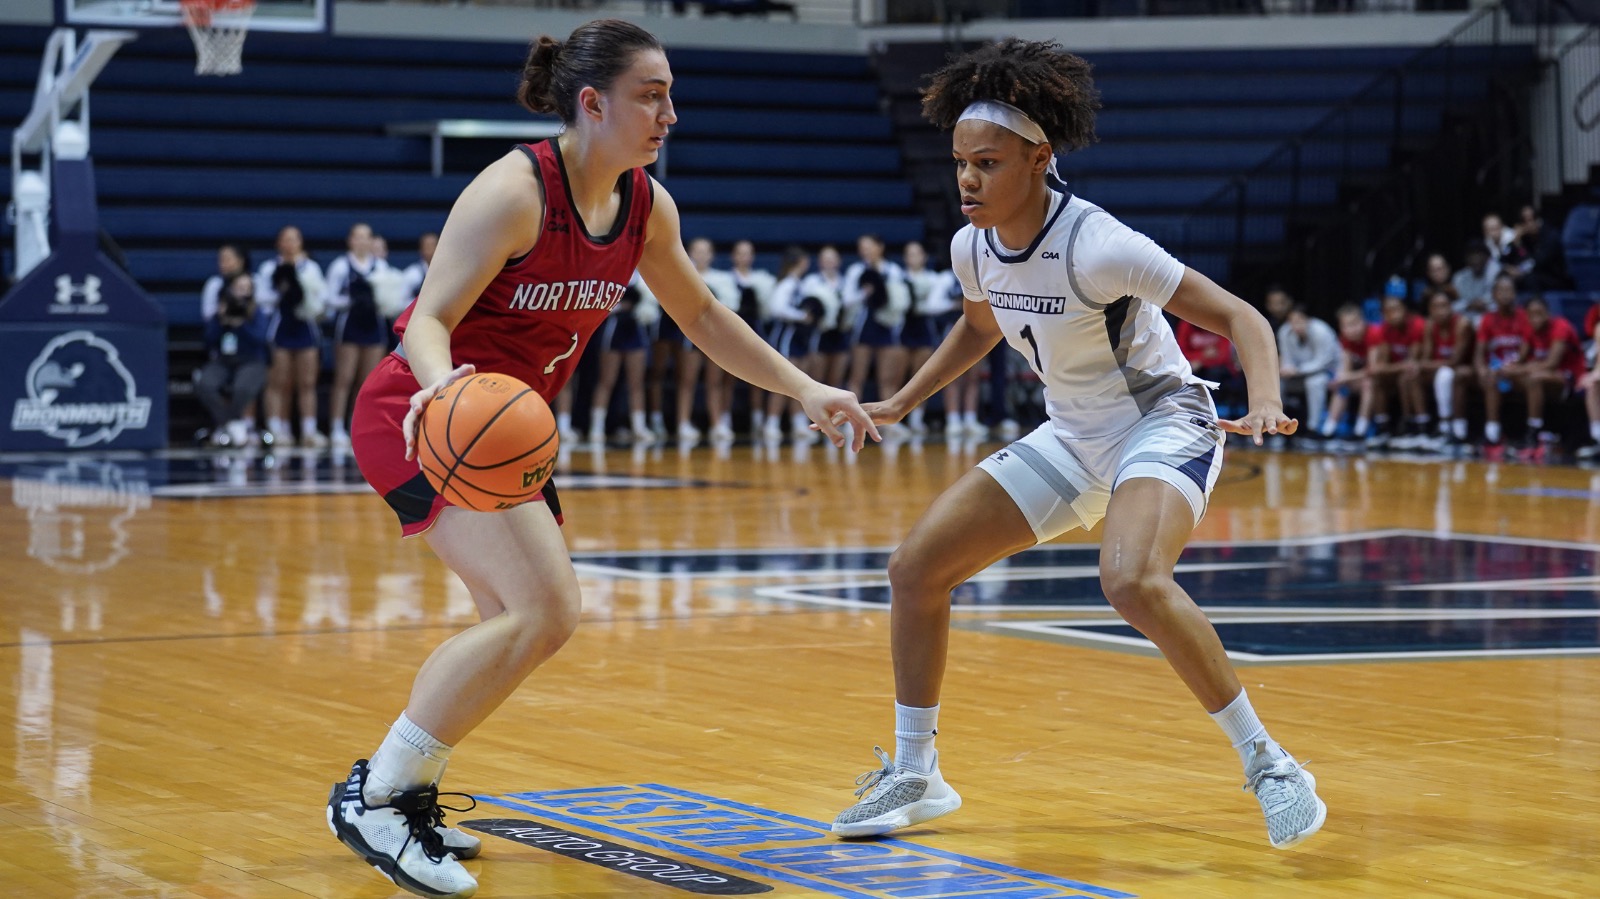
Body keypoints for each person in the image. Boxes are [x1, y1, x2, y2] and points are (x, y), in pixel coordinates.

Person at [329, 21, 878, 899]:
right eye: (650, 94)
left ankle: (402, 787)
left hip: (506, 435)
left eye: (669, 94)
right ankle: (381, 796)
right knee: (545, 611)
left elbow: (701, 318)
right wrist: (443, 392)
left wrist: (804, 388)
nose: (669, 112)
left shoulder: (647, 206)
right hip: (419, 411)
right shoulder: (513, 191)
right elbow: (429, 319)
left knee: (511, 624)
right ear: (593, 102)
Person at [829, 38, 1324, 852]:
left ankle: (1271, 764)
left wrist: (1264, 400)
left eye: (986, 163)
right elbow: (980, 324)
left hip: (1164, 422)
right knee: (916, 569)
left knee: (1129, 577)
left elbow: (1243, 317)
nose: (967, 180)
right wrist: (906, 399)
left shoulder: (1099, 243)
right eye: (959, 163)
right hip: (1073, 435)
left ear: (1038, 158)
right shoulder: (972, 245)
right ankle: (917, 772)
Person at [325, 222, 402, 447]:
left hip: (373, 326)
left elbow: (390, 302)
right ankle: (336, 427)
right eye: (357, 236)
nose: (361, 241)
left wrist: (377, 301)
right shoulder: (340, 266)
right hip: (349, 325)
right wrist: (351, 301)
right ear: (350, 240)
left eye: (366, 237)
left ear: (371, 241)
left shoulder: (380, 266)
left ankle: (357, 424)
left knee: (367, 381)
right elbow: (329, 298)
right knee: (344, 378)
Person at [257, 225, 327, 448]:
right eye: (285, 239)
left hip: (305, 328)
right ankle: (278, 429)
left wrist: (303, 296)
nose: (289, 243)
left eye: (294, 239)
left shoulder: (311, 268)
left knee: (307, 382)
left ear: (301, 243)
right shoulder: (270, 268)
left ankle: (308, 430)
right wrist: (283, 292)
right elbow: (262, 298)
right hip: (281, 328)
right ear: (279, 243)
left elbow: (320, 299)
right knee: (279, 382)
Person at [195, 272, 272, 447]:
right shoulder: (221, 310)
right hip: (224, 361)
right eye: (239, 288)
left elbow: (260, 339)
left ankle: (227, 426)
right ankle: (232, 424)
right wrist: (222, 320)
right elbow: (208, 340)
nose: (242, 293)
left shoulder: (256, 311)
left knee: (242, 387)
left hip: (250, 360)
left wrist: (242, 324)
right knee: (204, 383)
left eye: (246, 288)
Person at [1516, 295, 1585, 459]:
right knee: (1513, 378)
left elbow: (1552, 363)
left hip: (1570, 378)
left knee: (1533, 377)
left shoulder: (1561, 326)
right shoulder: (1529, 330)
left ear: (1548, 313)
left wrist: (1524, 368)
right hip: (1543, 377)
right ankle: (1497, 435)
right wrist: (1506, 369)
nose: (1535, 318)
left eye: (1539, 313)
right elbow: (1520, 360)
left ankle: (1533, 433)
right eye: (1531, 315)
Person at [1474, 274, 1534, 455]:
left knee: (1531, 380)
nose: (1505, 294)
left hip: (1519, 371)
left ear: (1515, 294)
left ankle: (1531, 435)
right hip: (1497, 371)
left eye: (1509, 290)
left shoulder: (1524, 316)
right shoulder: (1487, 319)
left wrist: (1512, 367)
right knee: (1490, 377)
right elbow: (1479, 352)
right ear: (1493, 295)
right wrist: (1482, 370)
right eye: (1501, 290)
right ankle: (1493, 435)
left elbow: (1525, 349)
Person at [1366, 294, 1427, 449]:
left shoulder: (1417, 325)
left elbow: (1413, 362)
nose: (1393, 314)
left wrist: (1391, 368)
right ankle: (1383, 429)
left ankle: (1416, 428)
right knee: (1377, 379)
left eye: (1396, 309)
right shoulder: (1385, 329)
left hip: (1423, 371)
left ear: (1405, 310)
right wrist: (1391, 368)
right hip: (1399, 371)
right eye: (1387, 311)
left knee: (1406, 377)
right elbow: (1381, 365)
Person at [1276, 304, 1340, 443]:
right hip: (1298, 374)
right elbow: (1287, 359)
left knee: (1314, 382)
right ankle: (1277, 425)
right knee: (1277, 382)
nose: (1296, 325)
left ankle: (1313, 429)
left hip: (1329, 373)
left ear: (1308, 320)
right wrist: (1286, 369)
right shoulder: (1284, 332)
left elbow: (1322, 362)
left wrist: (1297, 370)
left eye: (1300, 321)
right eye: (1292, 321)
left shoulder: (1322, 331)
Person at [1419, 288, 1473, 445]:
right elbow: (1426, 357)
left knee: (1446, 374)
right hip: (1440, 369)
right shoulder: (1430, 326)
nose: (1440, 311)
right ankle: (1418, 428)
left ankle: (1452, 429)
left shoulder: (1462, 324)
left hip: (1466, 370)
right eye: (1436, 307)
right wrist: (1420, 365)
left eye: (1444, 305)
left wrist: (1426, 365)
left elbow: (1455, 361)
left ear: (1451, 306)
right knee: (1411, 375)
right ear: (1429, 310)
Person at [1319, 304, 1376, 443]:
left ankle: (1360, 431)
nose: (1352, 329)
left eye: (1355, 323)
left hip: (1381, 378)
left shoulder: (1374, 334)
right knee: (1342, 386)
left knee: (1368, 384)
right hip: (1361, 378)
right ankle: (1328, 430)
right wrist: (1340, 379)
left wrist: (1346, 377)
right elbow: (1346, 368)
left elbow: (1374, 369)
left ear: (1363, 321)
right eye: (1347, 326)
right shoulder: (1345, 340)